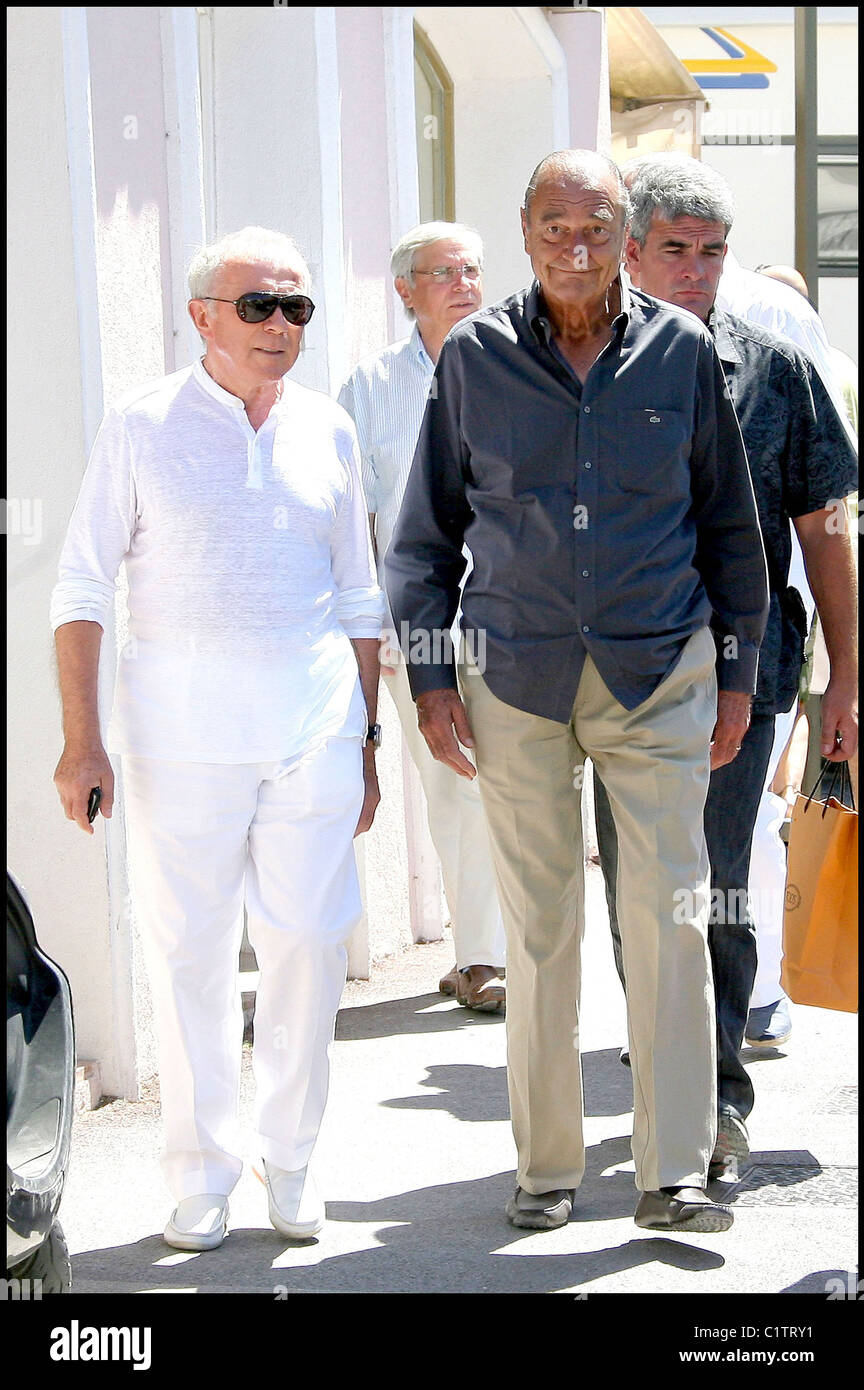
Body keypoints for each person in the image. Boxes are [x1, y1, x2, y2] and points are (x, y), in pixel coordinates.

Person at [387, 149, 770, 1234]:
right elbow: (424, 540)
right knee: (541, 929)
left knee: (672, 923)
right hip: (516, 675)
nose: (578, 245)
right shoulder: (475, 356)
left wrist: (738, 675)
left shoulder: (680, 350)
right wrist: (428, 682)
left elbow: (731, 529)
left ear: (623, 232)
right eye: (557, 224)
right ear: (525, 230)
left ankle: (674, 1170)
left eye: (598, 224)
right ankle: (549, 1169)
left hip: (659, 670)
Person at [51, 227, 384, 1251]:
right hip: (177, 745)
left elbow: (362, 597)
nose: (281, 325)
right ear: (201, 315)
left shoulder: (329, 428)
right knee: (191, 955)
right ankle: (200, 1173)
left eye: (297, 308)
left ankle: (292, 1160)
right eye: (259, 306)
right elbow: (79, 584)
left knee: (307, 950)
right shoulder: (142, 424)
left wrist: (366, 743)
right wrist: (81, 743)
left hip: (313, 735)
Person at [593, 156, 858, 1173]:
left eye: (712, 252)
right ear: (631, 250)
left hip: (743, 670)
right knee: (635, 890)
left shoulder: (778, 369)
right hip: (608, 674)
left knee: (713, 882)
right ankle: (673, 1072)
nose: (697, 271)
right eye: (676, 250)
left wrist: (844, 680)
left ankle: (715, 1102)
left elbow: (827, 531)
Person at [339, 222, 507, 1012]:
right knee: (457, 786)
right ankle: (482, 956)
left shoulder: (520, 367)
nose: (466, 283)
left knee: (518, 786)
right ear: (405, 290)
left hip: (518, 620)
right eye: (445, 273)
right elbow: (355, 526)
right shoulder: (368, 392)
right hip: (422, 629)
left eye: (473, 269)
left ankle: (503, 952)